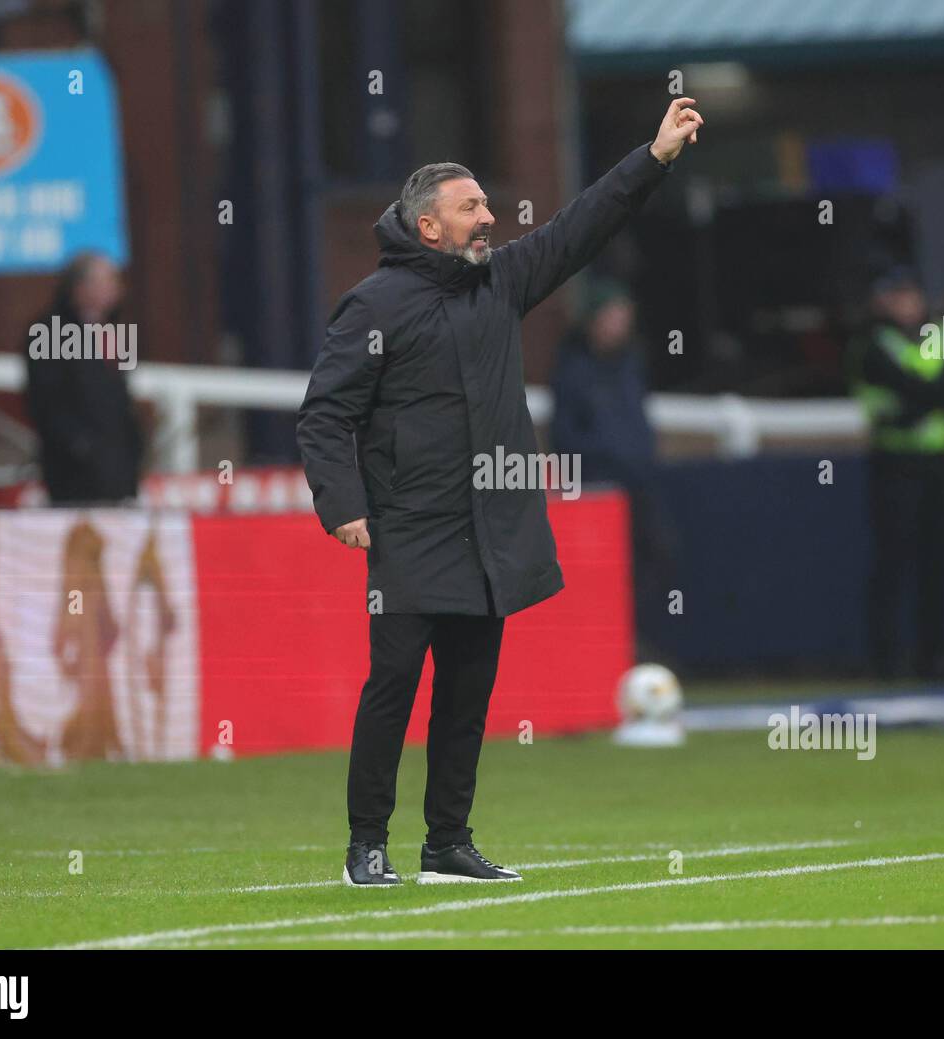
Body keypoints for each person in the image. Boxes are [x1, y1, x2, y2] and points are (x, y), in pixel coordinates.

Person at [296, 99, 703, 886]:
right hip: (411, 527)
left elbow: (583, 224)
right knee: (394, 686)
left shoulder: (502, 281)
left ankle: (447, 840)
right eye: (471, 208)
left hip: (490, 527)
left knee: (467, 694)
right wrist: (341, 503)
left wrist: (653, 157)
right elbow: (325, 412)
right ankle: (365, 845)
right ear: (427, 227)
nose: (489, 218)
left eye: (485, 204)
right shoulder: (373, 305)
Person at [848, 267, 944, 680]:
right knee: (893, 564)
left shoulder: (936, 339)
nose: (906, 304)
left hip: (937, 464)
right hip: (895, 465)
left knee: (936, 562)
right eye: (896, 297)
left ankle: (934, 656)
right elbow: (921, 393)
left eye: (911, 296)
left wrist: (930, 397)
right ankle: (886, 659)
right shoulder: (874, 346)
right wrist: (935, 396)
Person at [549, 278, 680, 656]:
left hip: (641, 486)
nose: (619, 325)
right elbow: (565, 437)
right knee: (603, 573)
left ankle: (633, 639)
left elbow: (638, 421)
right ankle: (608, 648)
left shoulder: (631, 363)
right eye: (612, 317)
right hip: (600, 493)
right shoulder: (572, 370)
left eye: (624, 317)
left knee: (660, 557)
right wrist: (602, 467)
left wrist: (642, 458)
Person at [23, 252, 144, 504]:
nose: (115, 290)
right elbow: (45, 402)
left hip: (119, 476)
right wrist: (83, 448)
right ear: (79, 288)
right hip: (73, 478)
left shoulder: (112, 330)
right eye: (106, 282)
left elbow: (121, 400)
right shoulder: (48, 332)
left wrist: (133, 452)